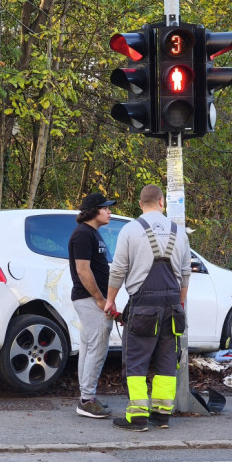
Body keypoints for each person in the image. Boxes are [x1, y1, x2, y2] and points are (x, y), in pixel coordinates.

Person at [104, 184, 190, 431]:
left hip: (143, 307)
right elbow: (185, 273)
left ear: (140, 204)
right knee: (166, 361)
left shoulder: (131, 230)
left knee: (136, 361)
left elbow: (118, 269)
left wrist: (110, 300)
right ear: (162, 202)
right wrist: (180, 302)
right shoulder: (179, 232)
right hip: (173, 307)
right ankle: (162, 415)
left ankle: (138, 417)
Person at [68, 192, 116, 419]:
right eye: (105, 208)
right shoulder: (82, 235)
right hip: (89, 299)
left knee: (89, 347)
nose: (109, 212)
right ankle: (86, 400)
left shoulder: (92, 234)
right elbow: (82, 270)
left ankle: (87, 397)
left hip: (93, 299)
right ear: (93, 210)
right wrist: (100, 298)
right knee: (96, 347)